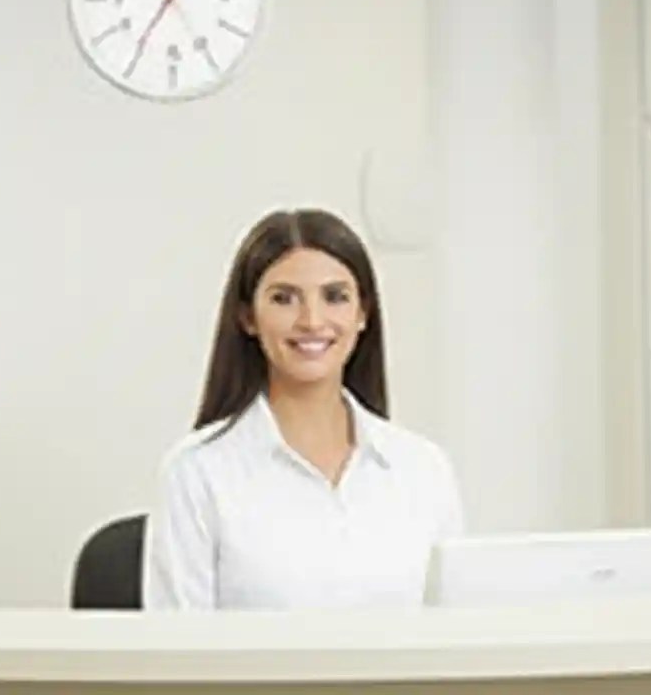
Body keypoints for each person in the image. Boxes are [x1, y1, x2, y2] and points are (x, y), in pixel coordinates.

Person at [142, 208, 464, 610]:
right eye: (283, 299)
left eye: (335, 297)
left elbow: (451, 643)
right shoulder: (197, 472)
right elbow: (179, 659)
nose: (312, 320)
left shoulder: (423, 469)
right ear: (248, 317)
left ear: (362, 313)